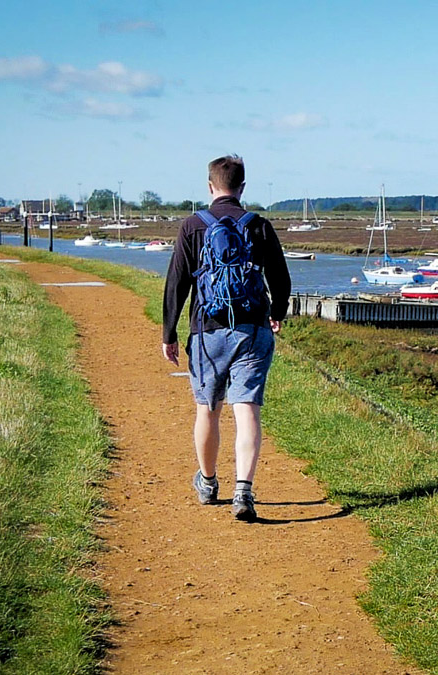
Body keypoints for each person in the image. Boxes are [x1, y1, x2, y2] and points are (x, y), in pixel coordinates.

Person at [161, 155, 291, 521]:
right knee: (246, 409)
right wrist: (276, 313)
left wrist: (169, 333)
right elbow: (280, 278)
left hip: (207, 332)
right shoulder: (259, 225)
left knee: (208, 409)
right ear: (243, 187)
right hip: (252, 330)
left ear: (210, 186)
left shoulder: (192, 226)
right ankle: (243, 492)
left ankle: (207, 481)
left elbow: (177, 283)